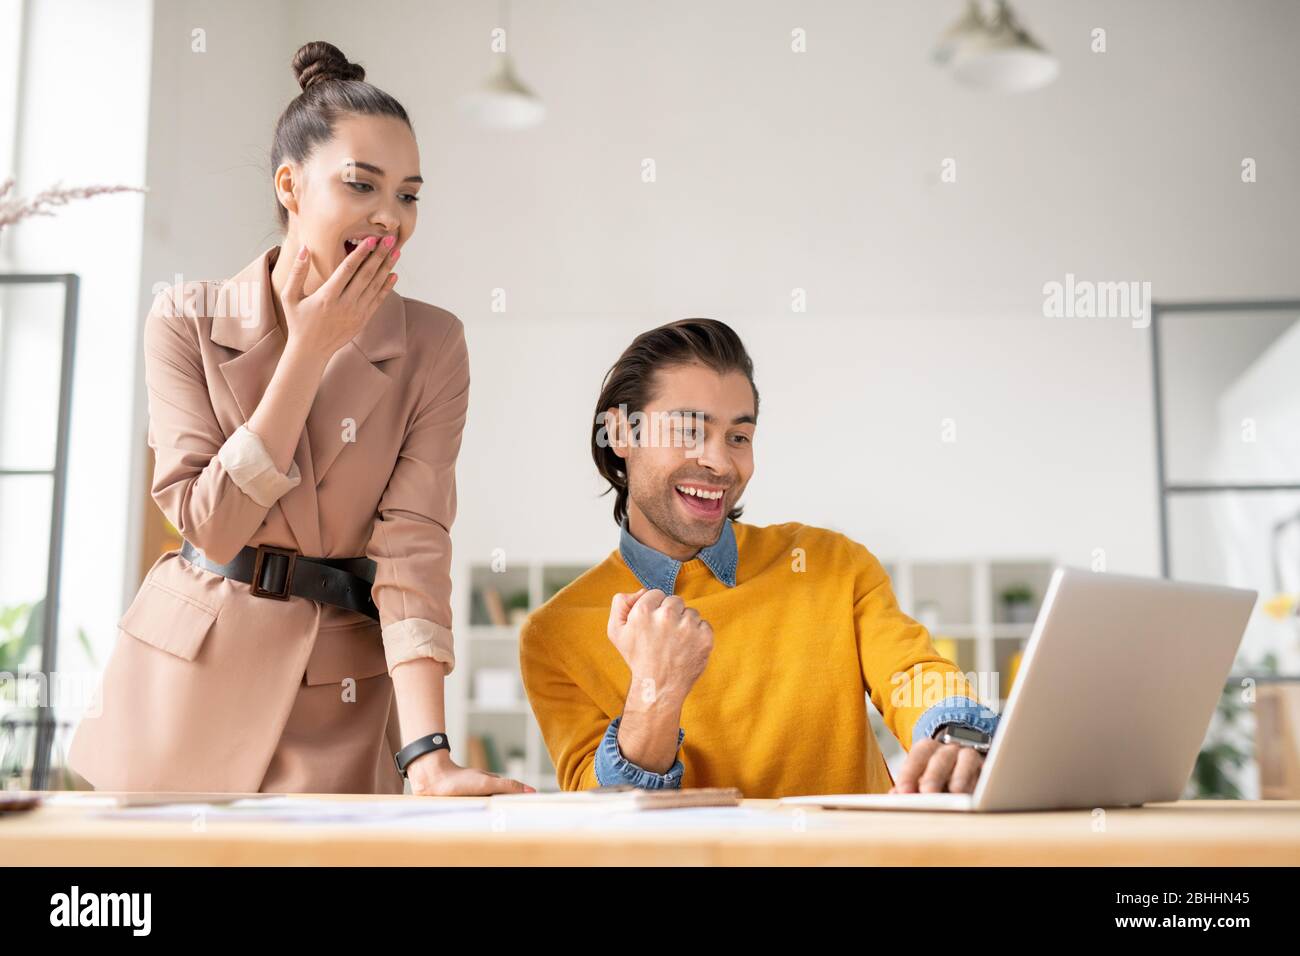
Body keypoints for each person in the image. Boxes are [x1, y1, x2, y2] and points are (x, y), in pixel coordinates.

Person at [68, 41, 532, 797]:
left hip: (339, 694)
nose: (390, 217)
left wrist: (429, 755)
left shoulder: (433, 344)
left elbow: (413, 547)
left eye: (409, 196)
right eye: (361, 184)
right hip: (184, 691)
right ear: (290, 185)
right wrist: (308, 352)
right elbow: (210, 525)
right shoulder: (186, 319)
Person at [520, 318, 1000, 796]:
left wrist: (958, 737)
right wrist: (655, 691)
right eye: (688, 430)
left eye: (738, 437)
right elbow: (598, 812)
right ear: (620, 433)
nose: (720, 463)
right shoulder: (555, 634)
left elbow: (913, 675)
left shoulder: (831, 563)